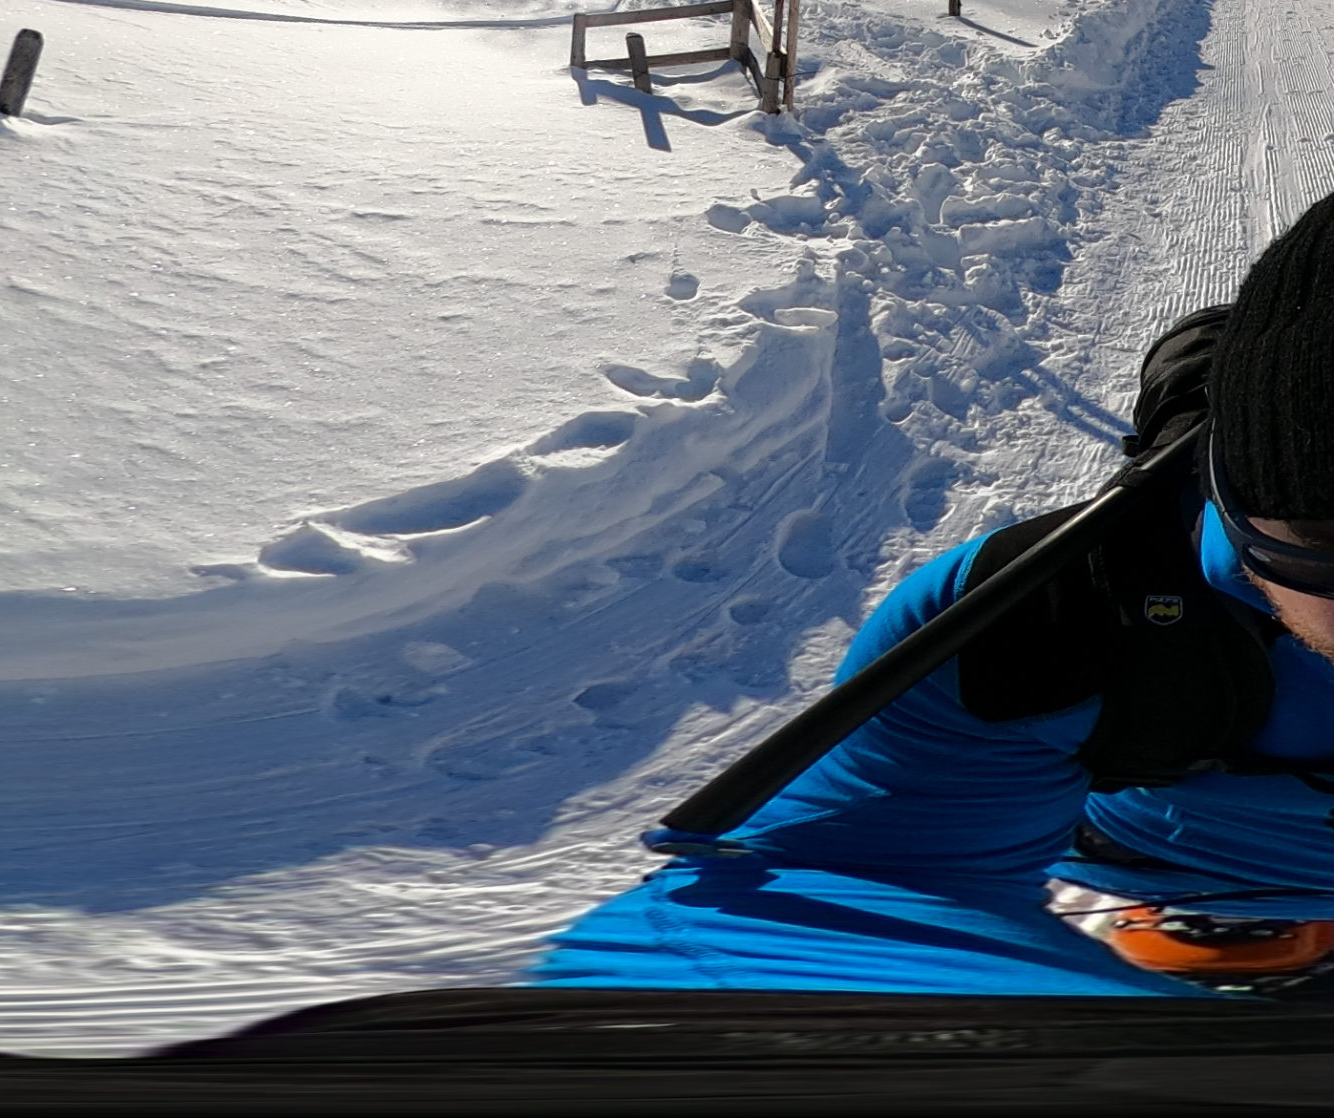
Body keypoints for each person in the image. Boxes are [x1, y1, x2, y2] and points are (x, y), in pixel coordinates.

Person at [545, 189, 1334, 993]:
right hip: (1150, 906)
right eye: (1328, 542)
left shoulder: (1039, 612)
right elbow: (822, 899)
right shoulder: (1047, 619)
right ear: (1237, 513)